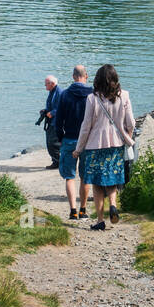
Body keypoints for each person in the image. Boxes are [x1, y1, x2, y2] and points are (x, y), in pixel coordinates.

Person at [73, 63, 135, 231]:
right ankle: (113, 205)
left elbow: (86, 126)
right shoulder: (125, 96)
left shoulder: (92, 99)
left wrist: (78, 149)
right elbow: (131, 123)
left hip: (95, 145)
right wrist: (126, 137)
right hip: (116, 145)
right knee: (112, 178)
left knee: (97, 183)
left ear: (97, 80)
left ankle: (100, 220)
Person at [53, 65, 94, 220]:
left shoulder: (64, 94)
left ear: (73, 76)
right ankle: (83, 210)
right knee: (85, 177)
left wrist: (60, 137)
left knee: (69, 177)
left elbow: (58, 120)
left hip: (69, 139)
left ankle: (73, 211)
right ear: (86, 76)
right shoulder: (92, 94)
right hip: (88, 141)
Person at [40, 75, 62, 169]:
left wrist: (52, 113)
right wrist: (45, 110)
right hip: (51, 121)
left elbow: (62, 107)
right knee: (50, 142)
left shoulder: (60, 93)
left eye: (46, 84)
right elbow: (53, 105)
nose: (45, 86)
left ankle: (58, 162)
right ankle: (56, 161)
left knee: (52, 143)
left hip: (56, 122)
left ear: (52, 84)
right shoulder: (52, 92)